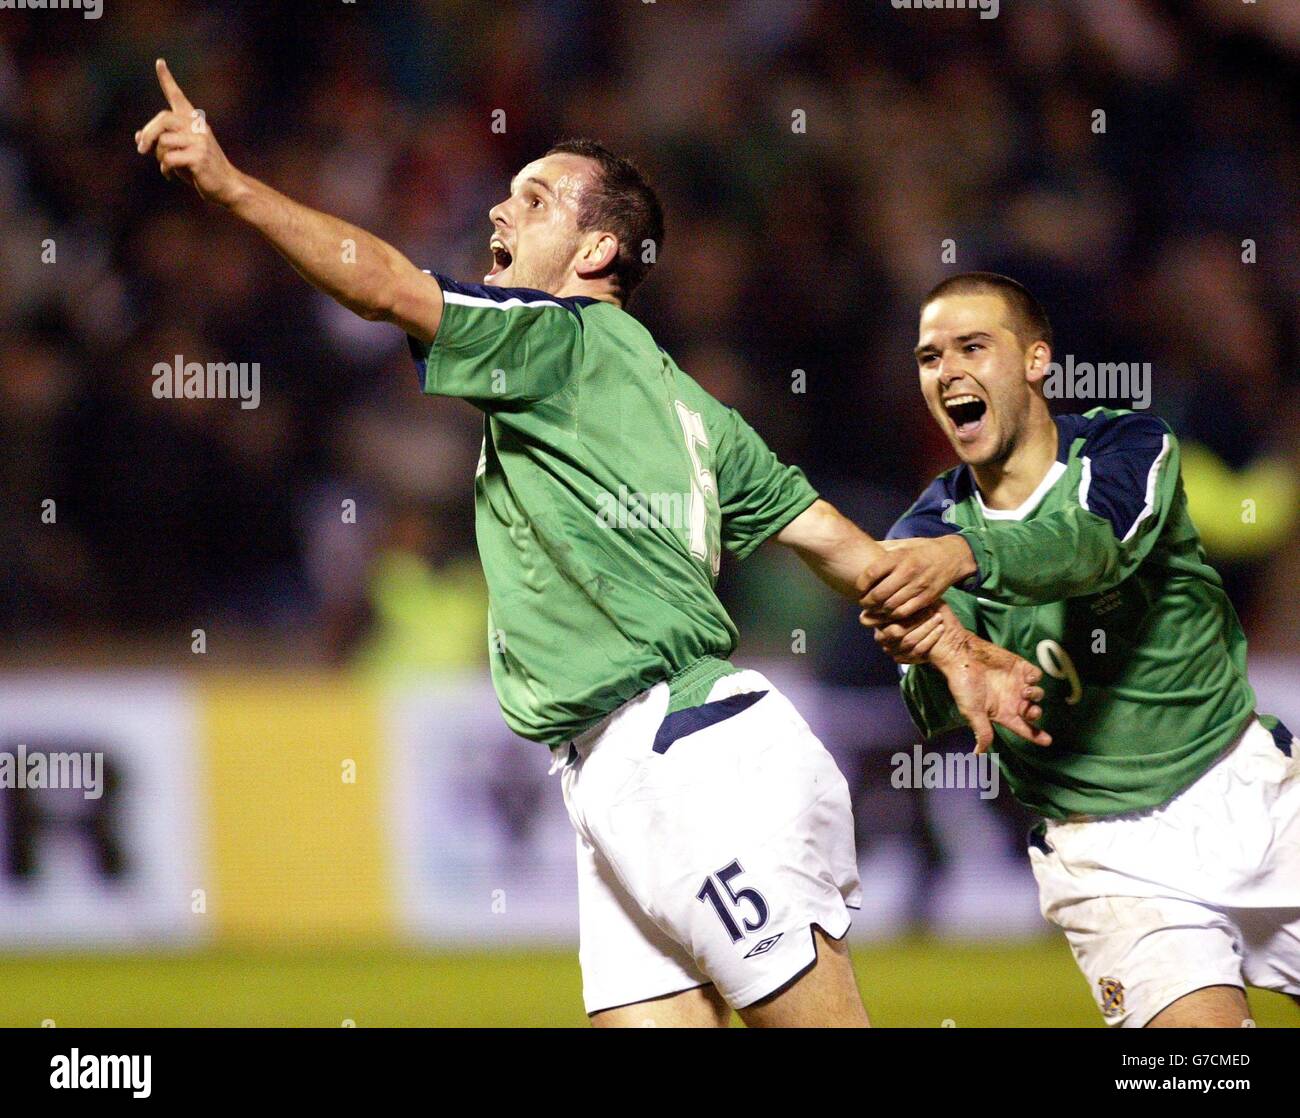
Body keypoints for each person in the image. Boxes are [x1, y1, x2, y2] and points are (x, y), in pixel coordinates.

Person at [136, 62, 1044, 1027]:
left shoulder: (558, 338)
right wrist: (958, 652)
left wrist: (231, 188)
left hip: (688, 755)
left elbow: (390, 288)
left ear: (598, 248)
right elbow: (844, 550)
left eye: (533, 198)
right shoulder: (693, 407)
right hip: (621, 770)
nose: (499, 209)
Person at [861, 271, 1300, 1028]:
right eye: (931, 357)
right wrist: (947, 665)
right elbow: (929, 704)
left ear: (1035, 361)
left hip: (1251, 791)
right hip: (1110, 856)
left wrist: (969, 557)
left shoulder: (1130, 445)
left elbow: (1094, 547)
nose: (949, 371)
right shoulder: (920, 537)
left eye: (973, 346)